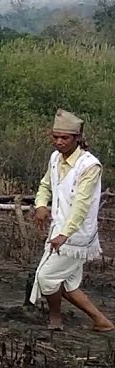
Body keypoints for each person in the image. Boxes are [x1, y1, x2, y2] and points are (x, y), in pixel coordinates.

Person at [30, 109, 115, 332]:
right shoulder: (55, 159)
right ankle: (102, 322)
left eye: (64, 138)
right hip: (59, 228)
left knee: (46, 277)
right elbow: (45, 185)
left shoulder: (89, 166)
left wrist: (64, 234)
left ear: (77, 139)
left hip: (76, 234)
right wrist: (40, 205)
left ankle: (56, 319)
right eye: (55, 137)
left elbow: (81, 205)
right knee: (67, 283)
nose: (59, 142)